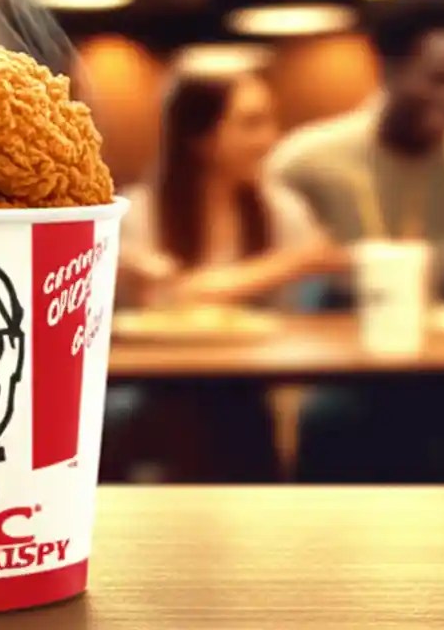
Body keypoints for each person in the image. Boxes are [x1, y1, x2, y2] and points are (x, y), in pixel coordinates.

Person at [270, 0, 444, 482]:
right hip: (346, 360)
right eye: (438, 81)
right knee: (328, 430)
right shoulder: (308, 161)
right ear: (389, 70)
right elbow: (271, 271)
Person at [103, 72, 341, 482]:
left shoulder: (279, 207)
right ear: (200, 137)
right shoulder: (140, 210)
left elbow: (321, 263)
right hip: (158, 384)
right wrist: (288, 264)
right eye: (251, 124)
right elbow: (173, 298)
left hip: (251, 380)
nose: (269, 139)